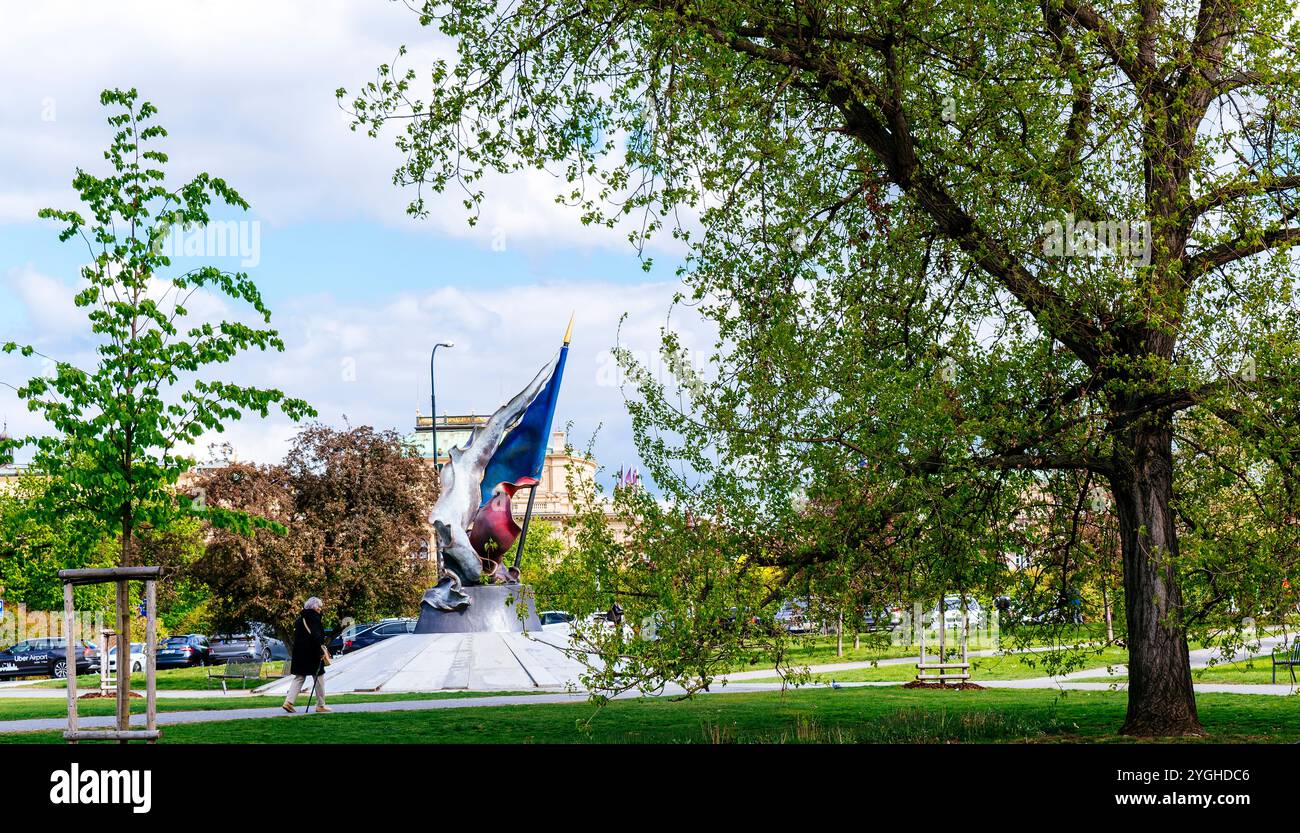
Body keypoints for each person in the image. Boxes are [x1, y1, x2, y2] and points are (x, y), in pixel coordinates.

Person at [282, 597, 331, 713]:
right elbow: (316, 636)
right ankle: (320, 705)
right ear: (313, 607)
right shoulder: (314, 618)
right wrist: (320, 651)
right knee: (319, 678)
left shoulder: (300, 620)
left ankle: (288, 702)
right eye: (319, 606)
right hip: (312, 653)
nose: (320, 608)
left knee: (299, 677)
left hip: (299, 653)